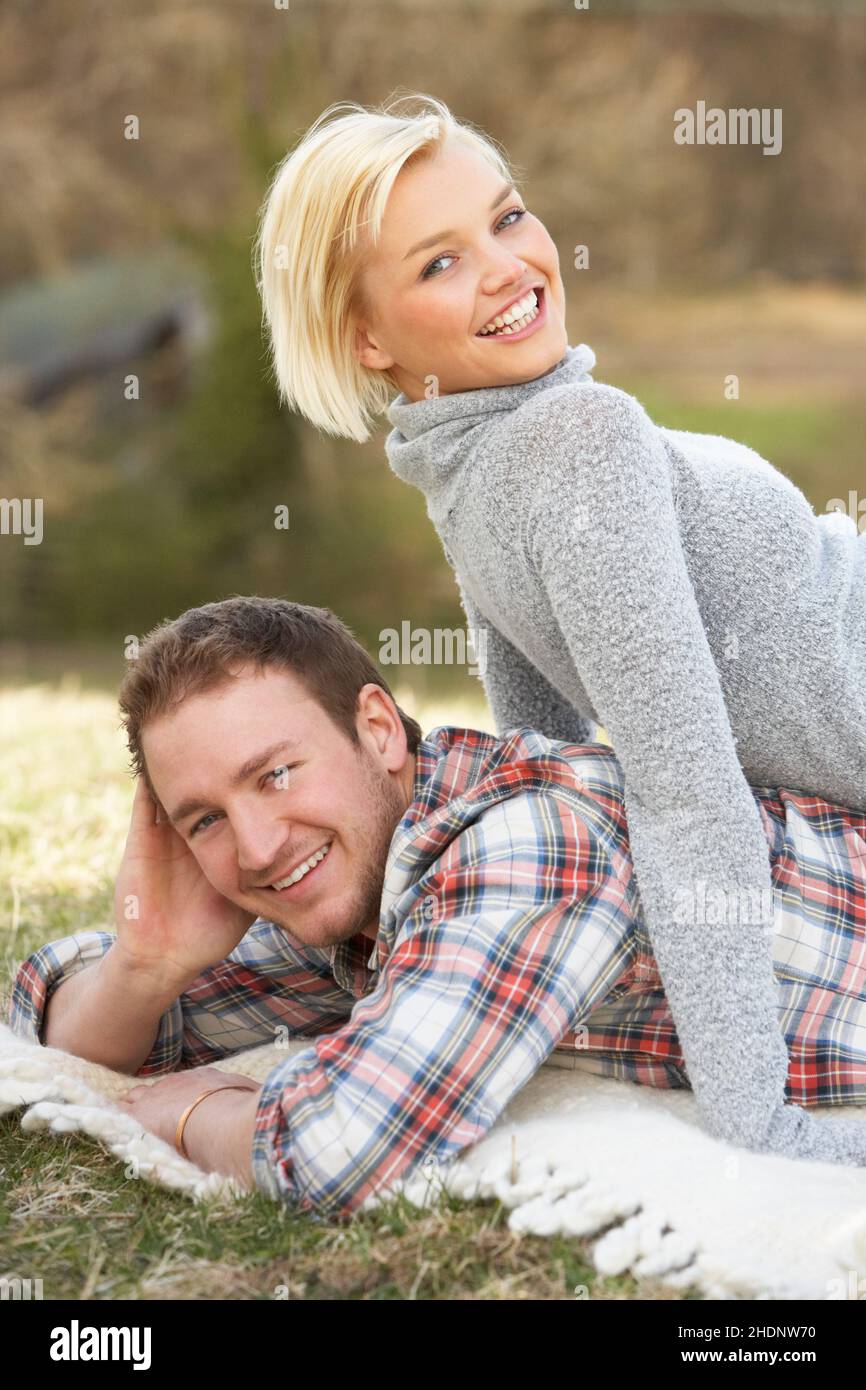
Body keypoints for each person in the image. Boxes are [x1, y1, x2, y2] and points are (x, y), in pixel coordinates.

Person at [252, 93, 866, 1173]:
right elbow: (590, 776)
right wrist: (754, 1116)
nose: (508, 265)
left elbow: (646, 785)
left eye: (506, 217)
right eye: (437, 263)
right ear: (365, 337)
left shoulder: (550, 438)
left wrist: (748, 1119)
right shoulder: (524, 455)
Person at [8, 597, 866, 1222]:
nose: (260, 847)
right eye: (206, 819)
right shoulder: (360, 891)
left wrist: (189, 1115)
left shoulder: (534, 838)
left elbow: (342, 1149)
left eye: (274, 774)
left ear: (378, 729)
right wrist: (145, 966)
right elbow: (55, 1021)